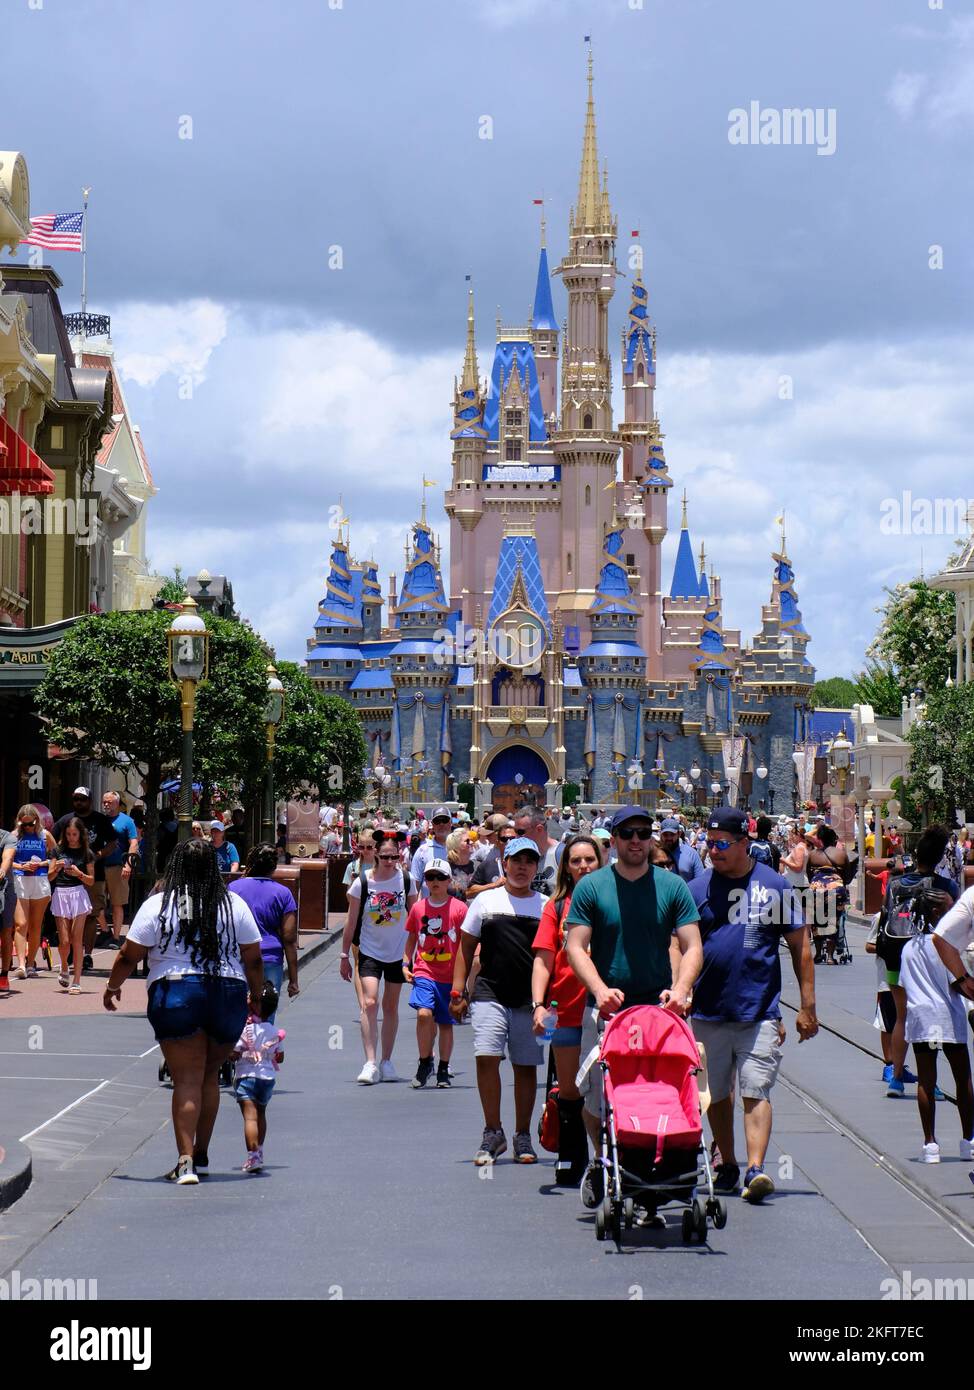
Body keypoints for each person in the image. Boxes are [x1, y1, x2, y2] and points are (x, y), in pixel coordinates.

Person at [564, 805, 703, 1207]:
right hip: (606, 1010)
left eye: (644, 833)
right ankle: (600, 1159)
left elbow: (692, 945)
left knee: (666, 1092)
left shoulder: (672, 886)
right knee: (595, 1095)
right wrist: (600, 988)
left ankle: (665, 1167)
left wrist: (682, 988)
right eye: (628, 834)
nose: (636, 841)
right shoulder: (593, 887)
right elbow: (576, 946)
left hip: (661, 1011)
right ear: (615, 839)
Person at [103, 839, 264, 1184]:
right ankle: (202, 1154)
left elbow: (128, 955)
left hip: (176, 991)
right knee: (209, 1076)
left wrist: (112, 987)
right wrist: (256, 996)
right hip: (227, 993)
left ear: (174, 866)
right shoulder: (233, 904)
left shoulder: (159, 904)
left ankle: (185, 1160)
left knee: (186, 1079)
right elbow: (252, 957)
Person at [688, 806, 818, 1203]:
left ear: (745, 842)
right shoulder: (697, 888)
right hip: (707, 1011)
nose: (714, 851)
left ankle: (756, 1168)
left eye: (722, 843)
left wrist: (807, 1006)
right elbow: (679, 944)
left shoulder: (773, 885)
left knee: (755, 1089)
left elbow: (800, 946)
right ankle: (727, 1162)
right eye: (710, 843)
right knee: (716, 1095)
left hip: (757, 1009)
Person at [450, 836, 546, 1165]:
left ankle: (522, 1134)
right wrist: (458, 990)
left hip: (530, 999)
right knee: (486, 1056)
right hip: (490, 992)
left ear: (537, 867)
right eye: (516, 860)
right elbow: (465, 948)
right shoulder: (485, 901)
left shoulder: (545, 906)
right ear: (504, 864)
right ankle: (493, 1130)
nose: (522, 867)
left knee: (526, 1065)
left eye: (529, 862)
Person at [531, 833, 601, 1185]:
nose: (583, 866)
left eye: (589, 859)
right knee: (572, 1088)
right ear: (566, 868)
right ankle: (573, 1157)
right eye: (576, 861)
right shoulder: (556, 906)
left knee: (605, 1088)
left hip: (603, 1009)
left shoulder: (613, 899)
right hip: (566, 1008)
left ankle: (607, 1159)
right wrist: (538, 1004)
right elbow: (543, 959)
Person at [876, 827, 958, 1098]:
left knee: (902, 1017)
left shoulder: (896, 883)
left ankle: (897, 1079)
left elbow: (886, 916)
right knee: (929, 1017)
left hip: (896, 956)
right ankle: (929, 1081)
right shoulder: (946, 887)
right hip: (927, 962)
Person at [900, 909, 974, 1164]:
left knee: (926, 1081)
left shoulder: (909, 947)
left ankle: (930, 1145)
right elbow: (959, 982)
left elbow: (903, 984)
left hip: (922, 1020)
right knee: (962, 1078)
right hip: (948, 1017)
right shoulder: (946, 946)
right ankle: (968, 1141)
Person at [341, 837, 417, 1083]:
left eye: (393, 857)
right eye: (384, 857)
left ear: (400, 856)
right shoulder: (362, 883)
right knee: (371, 1002)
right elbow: (351, 921)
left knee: (391, 1007)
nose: (389, 861)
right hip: (370, 950)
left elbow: (415, 919)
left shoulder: (406, 880)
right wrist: (344, 955)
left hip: (397, 952)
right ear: (375, 855)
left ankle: (387, 1060)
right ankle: (370, 1062)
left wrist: (414, 953)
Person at [403, 861, 467, 1088]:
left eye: (440, 877)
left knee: (445, 1023)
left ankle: (443, 1068)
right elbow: (411, 936)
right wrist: (405, 963)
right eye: (430, 878)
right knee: (423, 1015)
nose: (435, 882)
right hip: (424, 970)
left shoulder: (459, 909)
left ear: (449, 881)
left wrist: (467, 975)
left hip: (450, 975)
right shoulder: (419, 908)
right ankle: (424, 1061)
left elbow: (466, 943)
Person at [229, 843, 298, 1021]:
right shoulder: (284, 893)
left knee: (239, 1016)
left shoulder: (233, 889)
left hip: (239, 958)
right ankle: (264, 1047)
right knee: (266, 1017)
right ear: (274, 866)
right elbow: (289, 938)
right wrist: (293, 979)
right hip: (271, 959)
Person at [53, 788, 118, 972]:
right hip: (66, 878)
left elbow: (113, 843)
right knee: (67, 917)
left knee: (91, 915)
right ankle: (73, 950)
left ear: (90, 800)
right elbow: (50, 837)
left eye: (82, 799)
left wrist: (98, 855)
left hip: (93, 875)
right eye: (75, 799)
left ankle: (87, 954)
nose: (78, 802)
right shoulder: (66, 820)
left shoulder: (100, 819)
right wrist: (56, 855)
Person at [233, 979, 286, 1173]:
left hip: (247, 1076)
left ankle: (252, 1156)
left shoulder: (245, 1030)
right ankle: (260, 1151)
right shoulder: (273, 1031)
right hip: (267, 1078)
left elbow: (234, 1052)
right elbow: (279, 1057)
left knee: (250, 1118)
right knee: (261, 1114)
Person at [10, 804, 57, 979]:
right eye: (25, 824)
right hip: (20, 879)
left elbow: (56, 855)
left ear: (37, 821)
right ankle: (21, 964)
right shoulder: (14, 836)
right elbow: (7, 860)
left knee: (36, 925)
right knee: (21, 924)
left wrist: (46, 866)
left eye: (31, 824)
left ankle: (31, 964)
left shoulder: (45, 835)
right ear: (19, 822)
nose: (28, 827)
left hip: (39, 880)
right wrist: (21, 865)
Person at [51, 818, 96, 994]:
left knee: (77, 939)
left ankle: (76, 980)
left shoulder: (87, 853)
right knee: (64, 940)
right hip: (61, 893)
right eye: (68, 834)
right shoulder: (57, 850)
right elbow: (48, 877)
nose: (71, 838)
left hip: (78, 893)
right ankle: (63, 966)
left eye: (74, 834)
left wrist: (79, 873)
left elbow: (91, 881)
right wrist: (56, 868)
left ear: (80, 834)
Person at [99, 791, 139, 947]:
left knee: (117, 903)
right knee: (94, 904)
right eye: (104, 802)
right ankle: (104, 930)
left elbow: (133, 843)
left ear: (117, 804)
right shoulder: (99, 820)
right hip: (99, 867)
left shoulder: (127, 821)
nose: (106, 805)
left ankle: (115, 937)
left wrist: (128, 864)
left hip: (117, 867)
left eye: (109, 802)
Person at [512, 806, 559, 897]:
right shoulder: (518, 856)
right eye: (515, 831)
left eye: (520, 832)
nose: (516, 837)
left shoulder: (562, 855)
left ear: (539, 829)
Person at [467, 820, 517, 898]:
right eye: (504, 839)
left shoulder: (526, 865)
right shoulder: (487, 864)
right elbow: (469, 892)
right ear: (497, 840)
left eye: (512, 839)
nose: (509, 842)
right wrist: (494, 885)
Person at [410, 807, 452, 893]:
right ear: (432, 824)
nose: (441, 824)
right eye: (437, 821)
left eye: (444, 820)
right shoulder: (422, 850)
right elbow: (415, 886)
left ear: (450, 823)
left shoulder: (460, 847)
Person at [658, 817, 705, 883]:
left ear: (678, 834)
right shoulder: (655, 854)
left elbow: (700, 881)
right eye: (665, 835)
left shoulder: (691, 854)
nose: (669, 838)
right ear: (660, 834)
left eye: (672, 834)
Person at [0, 825, 16, 997]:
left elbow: (8, 857)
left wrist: (2, 870)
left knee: (5, 931)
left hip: (4, 888)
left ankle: (4, 974)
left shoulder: (7, 838)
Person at [445, 828, 476, 901]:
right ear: (456, 846)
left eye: (471, 840)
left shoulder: (478, 866)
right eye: (467, 841)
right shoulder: (445, 869)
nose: (471, 842)